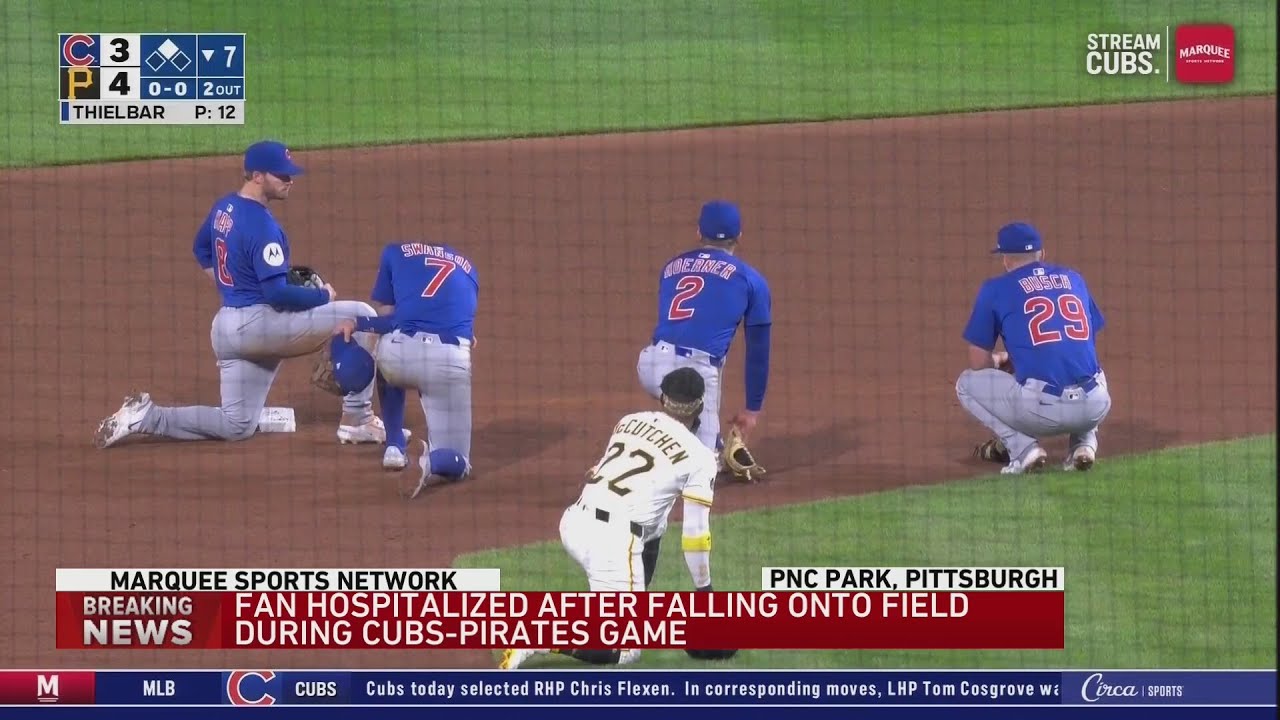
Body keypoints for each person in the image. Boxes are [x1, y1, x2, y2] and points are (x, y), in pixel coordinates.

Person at [93, 140, 386, 448]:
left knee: (236, 425)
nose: (289, 180)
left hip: (226, 330)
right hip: (259, 328)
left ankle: (146, 416)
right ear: (257, 176)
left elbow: (201, 249)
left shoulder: (224, 208)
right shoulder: (262, 226)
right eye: (281, 174)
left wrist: (232, 287)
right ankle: (358, 419)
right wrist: (322, 296)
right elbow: (277, 295)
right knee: (362, 315)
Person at [499, 367, 720, 670]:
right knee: (625, 649)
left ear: (662, 399)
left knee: (653, 522)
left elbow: (606, 476)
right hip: (611, 543)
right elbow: (695, 534)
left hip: (574, 522)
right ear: (700, 406)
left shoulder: (629, 421)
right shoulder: (700, 457)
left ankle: (620, 608)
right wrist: (705, 592)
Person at [957, 222, 1113, 474]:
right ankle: (1084, 445)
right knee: (1091, 368)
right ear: (1042, 254)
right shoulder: (1074, 279)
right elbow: (1081, 343)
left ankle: (1024, 450)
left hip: (1040, 411)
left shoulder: (995, 289)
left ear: (1006, 259)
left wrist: (1000, 361)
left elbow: (978, 363)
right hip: (1095, 405)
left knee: (966, 384)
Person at [636, 200, 773, 465]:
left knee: (708, 357)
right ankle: (700, 444)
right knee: (705, 467)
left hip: (650, 366)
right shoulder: (752, 280)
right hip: (696, 376)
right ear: (739, 236)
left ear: (699, 233)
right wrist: (751, 411)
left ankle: (699, 430)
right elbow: (758, 352)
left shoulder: (671, 267)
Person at [332, 240, 476, 491]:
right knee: (460, 462)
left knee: (386, 346)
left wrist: (356, 323)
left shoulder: (394, 252)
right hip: (448, 363)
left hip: (399, 355)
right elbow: (465, 328)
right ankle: (429, 462)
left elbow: (388, 318)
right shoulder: (469, 270)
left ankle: (394, 446)